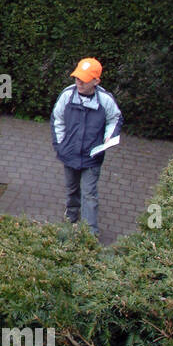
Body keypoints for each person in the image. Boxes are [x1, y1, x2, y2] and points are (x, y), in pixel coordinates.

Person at [51, 58, 122, 240]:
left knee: (89, 194)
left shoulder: (105, 100)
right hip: (69, 156)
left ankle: (90, 233)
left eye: (84, 79)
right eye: (77, 78)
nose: (79, 82)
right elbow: (57, 119)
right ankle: (71, 219)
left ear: (96, 81)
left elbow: (115, 119)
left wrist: (107, 140)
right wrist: (61, 146)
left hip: (92, 158)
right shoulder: (67, 96)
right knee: (72, 189)